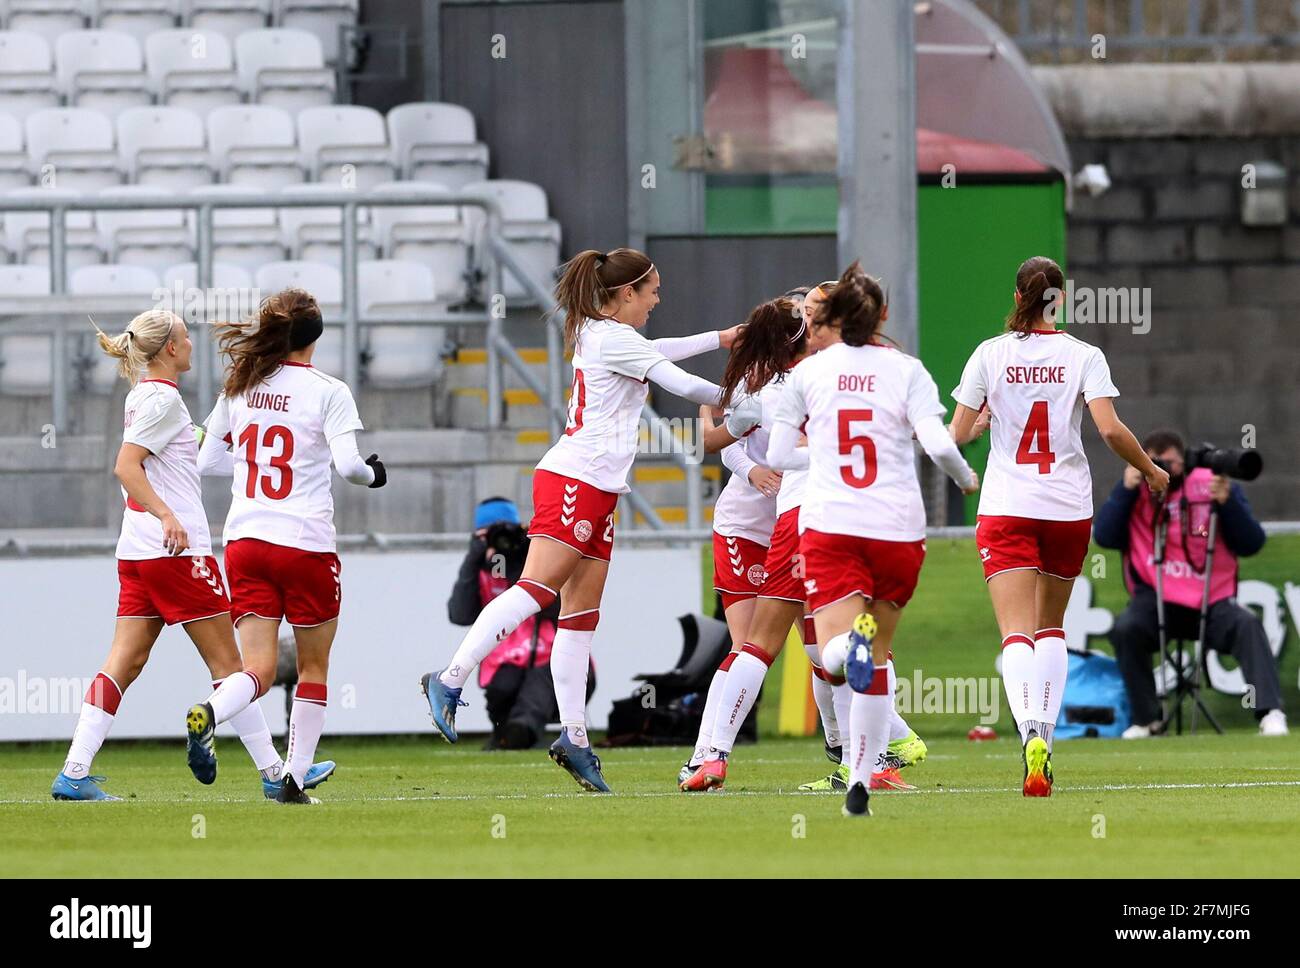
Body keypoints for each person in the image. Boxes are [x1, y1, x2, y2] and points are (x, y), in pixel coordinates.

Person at [421, 247, 734, 792]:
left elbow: (659, 351)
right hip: (575, 481)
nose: (658, 299)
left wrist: (720, 339)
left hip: (599, 487)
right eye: (653, 290)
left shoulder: (604, 332)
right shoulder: (613, 338)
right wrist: (746, 400)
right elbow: (680, 384)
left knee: (580, 618)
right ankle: (448, 678)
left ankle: (574, 738)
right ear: (627, 293)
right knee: (537, 589)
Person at [52, 309, 330, 802]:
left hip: (137, 552)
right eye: (184, 337)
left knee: (124, 662)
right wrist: (167, 515)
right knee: (231, 668)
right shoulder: (162, 401)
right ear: (169, 350)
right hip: (178, 554)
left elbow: (179, 452)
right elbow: (126, 465)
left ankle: (74, 772)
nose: (191, 344)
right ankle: (274, 772)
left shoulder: (146, 397)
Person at [680, 281, 929, 795]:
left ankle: (712, 758)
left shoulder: (785, 386)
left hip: (799, 520)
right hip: (854, 520)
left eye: (815, 311)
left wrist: (708, 401)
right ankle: (868, 757)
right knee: (832, 648)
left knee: (762, 646)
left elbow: (717, 438)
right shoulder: (880, 374)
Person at [949, 256, 1169, 798]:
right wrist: (1150, 469)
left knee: (1015, 633)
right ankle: (1044, 734)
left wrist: (979, 427)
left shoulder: (989, 354)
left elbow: (954, 435)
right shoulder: (1083, 355)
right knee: (1051, 627)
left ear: (1016, 293)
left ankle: (1029, 734)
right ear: (1061, 299)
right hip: (1067, 507)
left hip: (1007, 505)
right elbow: (1110, 430)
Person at [765, 262, 979, 817]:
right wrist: (965, 479)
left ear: (832, 318)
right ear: (882, 315)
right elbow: (938, 445)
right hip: (898, 528)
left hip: (833, 523)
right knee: (878, 657)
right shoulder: (906, 370)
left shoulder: (808, 374)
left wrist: (826, 455)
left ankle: (848, 679)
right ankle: (860, 781)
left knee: (836, 656)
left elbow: (776, 457)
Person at [198, 288, 387, 805]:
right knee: (313, 668)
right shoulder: (328, 390)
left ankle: (210, 713)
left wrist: (250, 461)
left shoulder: (240, 386)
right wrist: (375, 475)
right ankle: (294, 780)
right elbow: (349, 468)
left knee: (255, 671)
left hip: (244, 541)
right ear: (316, 336)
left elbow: (205, 463)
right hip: (303, 543)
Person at [1093, 429, 1286, 737]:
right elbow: (1104, 536)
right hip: (1155, 599)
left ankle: (1270, 713)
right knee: (1125, 628)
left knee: (1248, 625)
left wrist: (1227, 503)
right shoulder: (1137, 489)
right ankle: (1146, 719)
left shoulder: (1210, 484)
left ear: (1184, 461)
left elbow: (1252, 543)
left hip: (1211, 599)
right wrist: (1124, 490)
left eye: (1169, 463)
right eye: (1154, 464)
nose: (1164, 470)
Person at [448, 496, 594, 749]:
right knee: (504, 685)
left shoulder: (540, 562)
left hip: (553, 658)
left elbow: (555, 608)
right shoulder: (480, 569)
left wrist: (525, 557)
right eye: (492, 533)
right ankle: (508, 734)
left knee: (539, 683)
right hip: (505, 664)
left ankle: (520, 732)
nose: (502, 539)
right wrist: (474, 557)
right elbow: (459, 614)